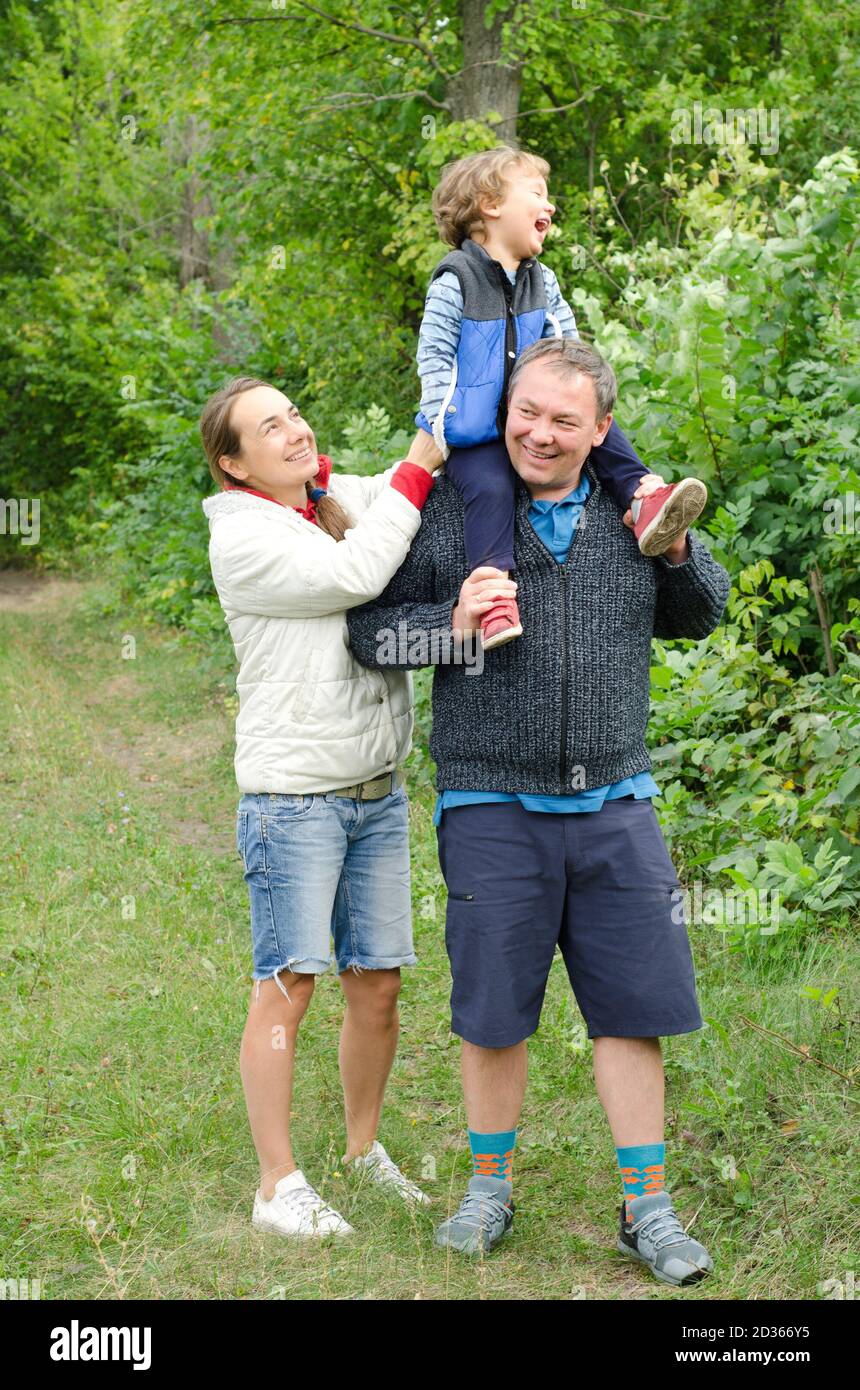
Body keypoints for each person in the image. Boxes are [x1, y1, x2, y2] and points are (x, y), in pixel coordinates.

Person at [347, 338, 731, 1286]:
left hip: (617, 801)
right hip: (489, 803)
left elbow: (704, 608)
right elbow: (369, 633)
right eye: (527, 414)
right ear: (504, 410)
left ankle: (649, 1208)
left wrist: (677, 550)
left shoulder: (631, 513)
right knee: (493, 1013)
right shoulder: (456, 514)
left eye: (566, 421)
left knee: (631, 1013)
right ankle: (487, 1190)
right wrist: (451, 625)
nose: (540, 435)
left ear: (601, 430)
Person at [200, 375, 443, 1238]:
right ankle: (277, 1187)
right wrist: (418, 465)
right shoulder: (247, 539)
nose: (294, 431)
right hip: (294, 798)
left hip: (375, 790)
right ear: (235, 463)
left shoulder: (327, 498)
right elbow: (359, 568)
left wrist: (447, 424)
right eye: (270, 428)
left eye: (295, 413)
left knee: (376, 983)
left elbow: (399, 492)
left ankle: (360, 1153)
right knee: (288, 984)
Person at [415, 145, 708, 649]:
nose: (549, 207)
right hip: (476, 430)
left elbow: (571, 351)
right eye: (537, 194)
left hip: (533, 414)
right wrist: (444, 428)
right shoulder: (454, 281)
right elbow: (435, 359)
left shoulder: (541, 280)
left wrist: (582, 401)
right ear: (489, 204)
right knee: (489, 488)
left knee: (599, 428)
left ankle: (643, 500)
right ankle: (495, 597)